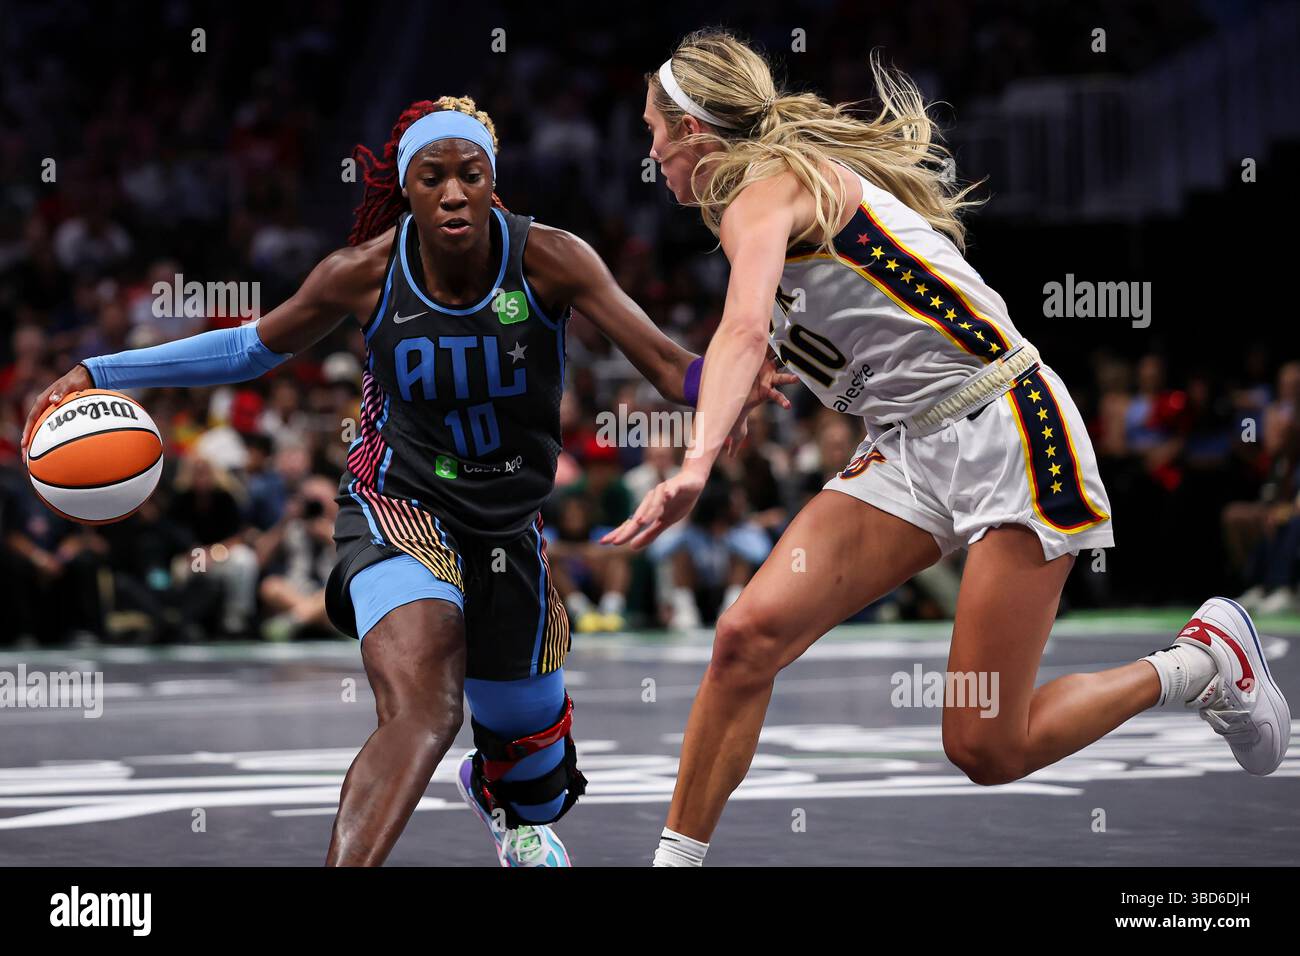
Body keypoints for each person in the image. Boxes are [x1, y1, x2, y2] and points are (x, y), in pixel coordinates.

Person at [22, 94, 791, 867]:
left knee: (540, 783)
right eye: (433, 178)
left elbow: (666, 365)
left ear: (494, 181)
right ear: (408, 190)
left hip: (505, 527)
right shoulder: (363, 273)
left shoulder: (552, 258)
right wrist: (101, 367)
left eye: (471, 174)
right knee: (425, 708)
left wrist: (727, 383)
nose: (454, 192)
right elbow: (249, 351)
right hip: (398, 508)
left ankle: (501, 796)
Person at [599, 30, 1292, 866]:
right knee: (747, 637)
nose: (651, 151)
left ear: (695, 131)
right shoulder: (764, 205)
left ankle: (1199, 662)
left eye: (653, 130)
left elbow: (741, 327)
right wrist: (756, 374)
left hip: (1006, 424)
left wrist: (695, 462)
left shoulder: (767, 188)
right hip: (908, 450)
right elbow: (796, 331)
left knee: (985, 746)